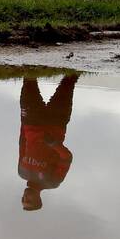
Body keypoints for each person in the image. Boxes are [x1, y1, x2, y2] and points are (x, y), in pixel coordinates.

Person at [19, 74, 77, 210]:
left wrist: (24, 121)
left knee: (28, 77)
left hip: (31, 120)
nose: (25, 197)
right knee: (69, 80)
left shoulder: (21, 172)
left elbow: (22, 142)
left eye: (23, 199)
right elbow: (67, 158)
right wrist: (54, 144)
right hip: (56, 123)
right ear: (38, 199)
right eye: (29, 201)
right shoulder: (52, 182)